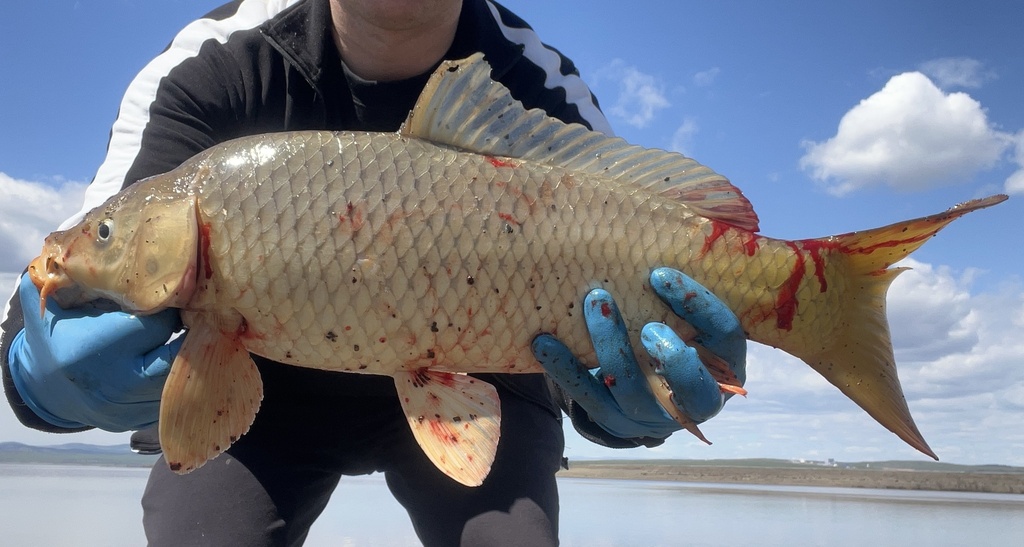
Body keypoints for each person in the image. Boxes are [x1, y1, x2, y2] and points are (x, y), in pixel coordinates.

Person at [0, 1, 747, 545]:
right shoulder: (213, 61)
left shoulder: (540, 82)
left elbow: (621, 292)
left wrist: (630, 408)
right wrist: (40, 375)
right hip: (267, 388)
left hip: (480, 368)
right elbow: (49, 291)